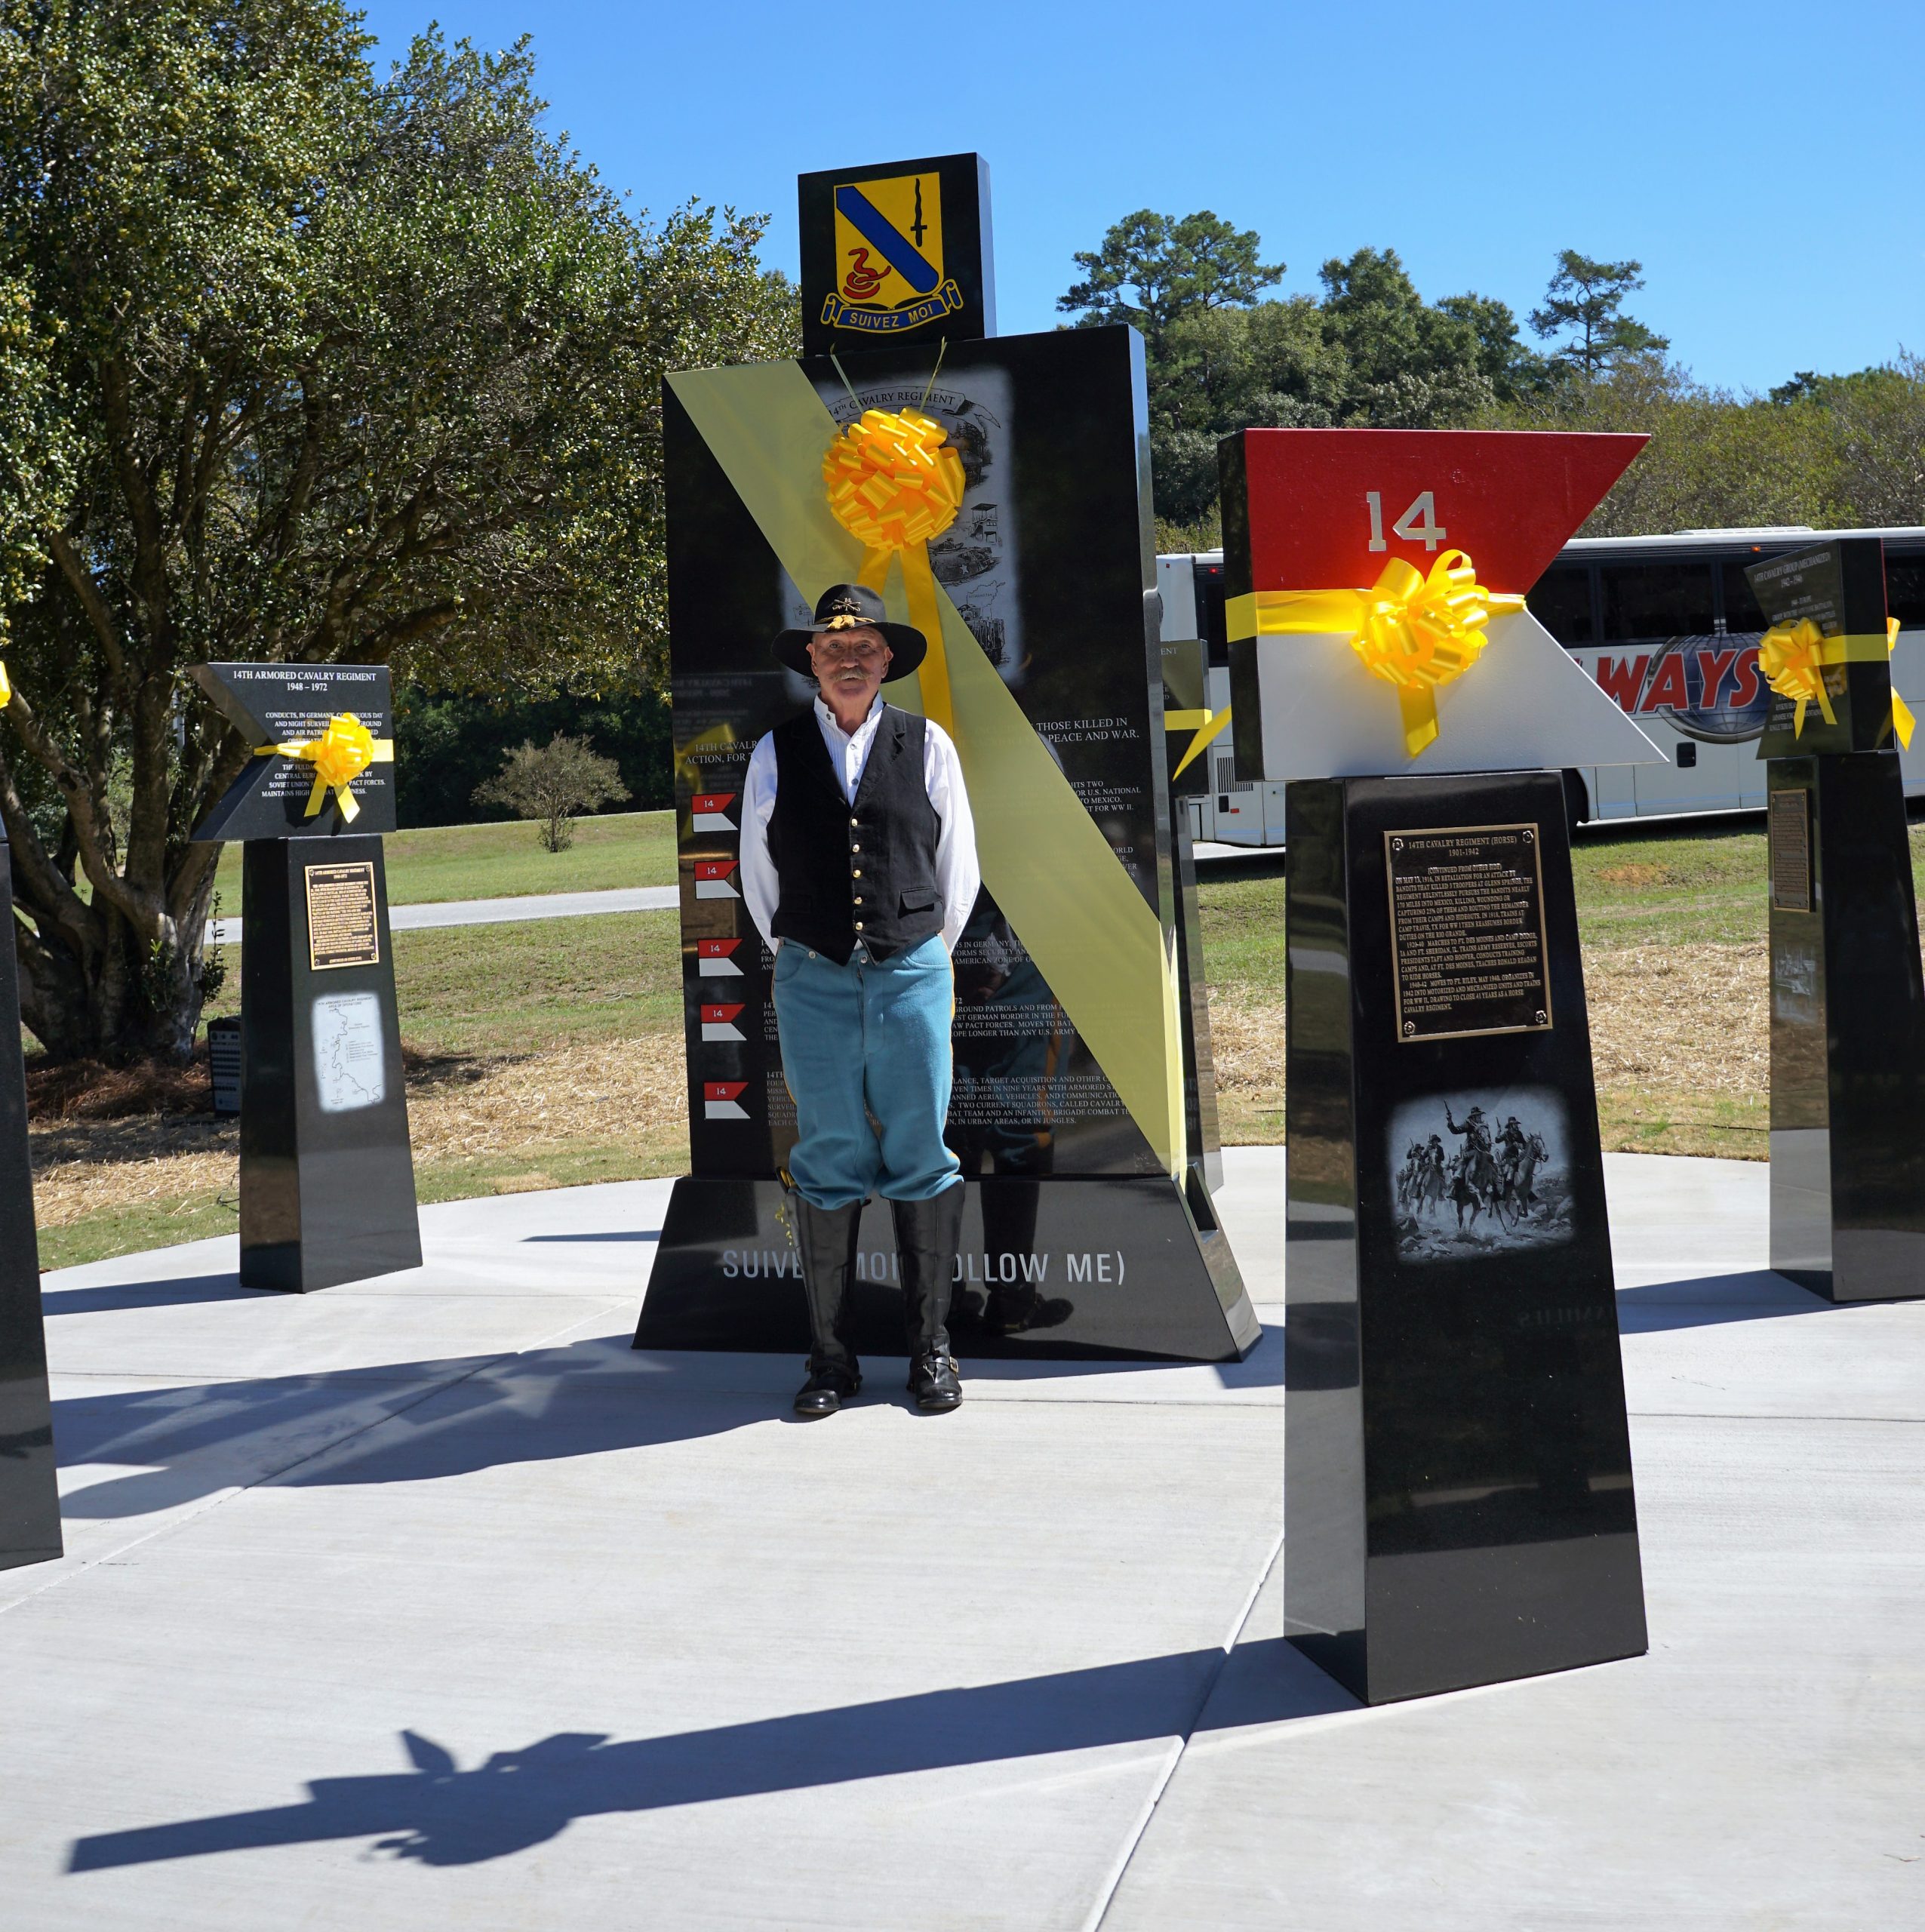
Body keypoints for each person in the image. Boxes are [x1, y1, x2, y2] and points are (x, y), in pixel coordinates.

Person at [740, 583, 979, 1419]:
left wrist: (917, 957)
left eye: (865, 648)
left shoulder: (928, 744)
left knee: (920, 1150)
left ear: (887, 662)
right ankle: (831, 1358)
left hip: (911, 970)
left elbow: (959, 871)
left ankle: (931, 1353)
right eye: (833, 648)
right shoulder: (773, 751)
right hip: (814, 978)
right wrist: (807, 956)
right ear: (811, 659)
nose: (849, 659)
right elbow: (757, 876)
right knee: (829, 1154)